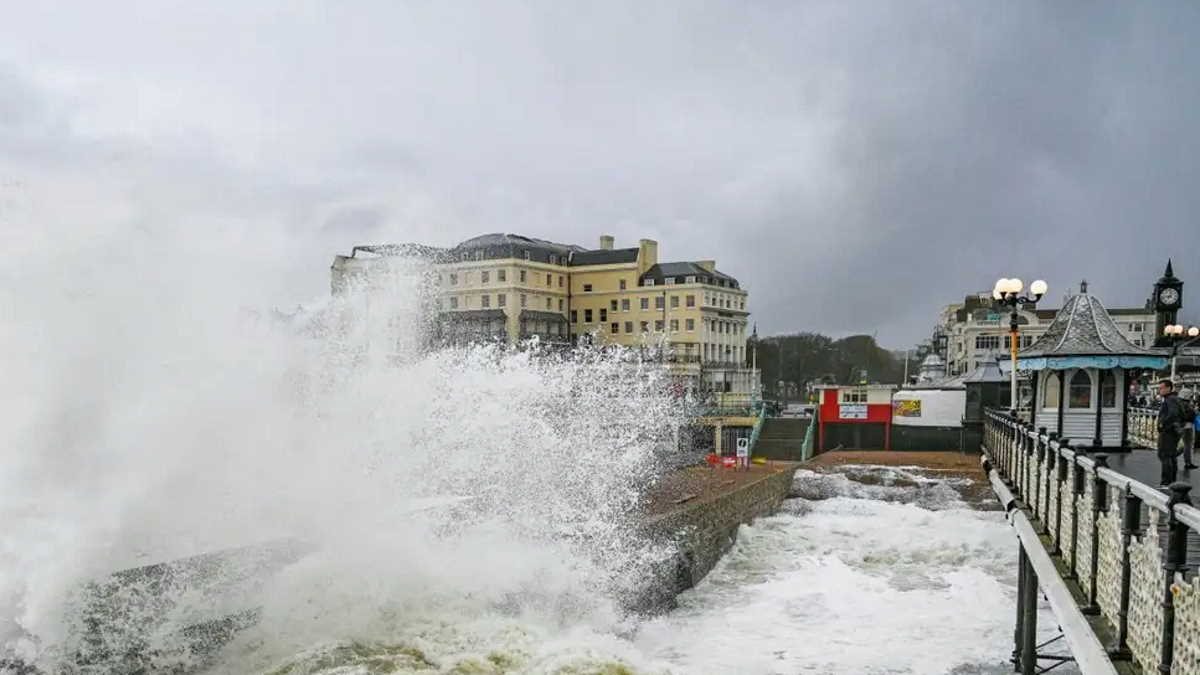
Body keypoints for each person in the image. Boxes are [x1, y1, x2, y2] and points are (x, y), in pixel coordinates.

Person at [1157, 378, 1187, 487]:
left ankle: (1166, 482)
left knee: (1165, 456)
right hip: (1174, 431)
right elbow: (1182, 415)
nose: (1160, 390)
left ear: (1168, 388)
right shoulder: (1175, 399)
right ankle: (1172, 482)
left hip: (1168, 432)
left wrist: (1163, 424)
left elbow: (1173, 414)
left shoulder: (1170, 399)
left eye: (1161, 388)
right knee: (1171, 456)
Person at [1186, 392, 1200, 470]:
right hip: (1188, 426)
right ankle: (1187, 462)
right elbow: (1190, 415)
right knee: (1187, 444)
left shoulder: (1187, 404)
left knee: (1187, 444)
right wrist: (1194, 412)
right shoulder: (1188, 405)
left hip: (1189, 425)